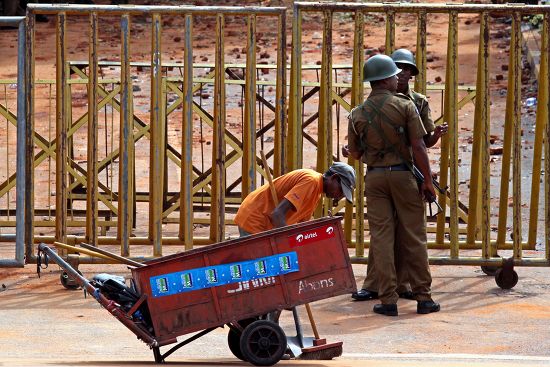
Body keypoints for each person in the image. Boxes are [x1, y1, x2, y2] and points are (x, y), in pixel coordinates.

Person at [351, 48, 448, 302]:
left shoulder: (360, 111)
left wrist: (435, 136)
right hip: (403, 173)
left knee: (387, 234)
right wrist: (428, 180)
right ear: (386, 77)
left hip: (382, 175)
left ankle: (390, 295)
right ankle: (420, 295)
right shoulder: (404, 105)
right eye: (397, 70)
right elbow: (418, 146)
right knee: (406, 234)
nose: (401, 74)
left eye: (406, 70)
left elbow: (356, 151)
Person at [235, 162, 356, 236]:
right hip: (255, 218)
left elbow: (302, 226)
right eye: (341, 190)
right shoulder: (311, 181)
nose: (339, 196)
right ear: (334, 178)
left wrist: (322, 225)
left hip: (263, 222)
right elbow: (277, 215)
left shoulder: (317, 193)